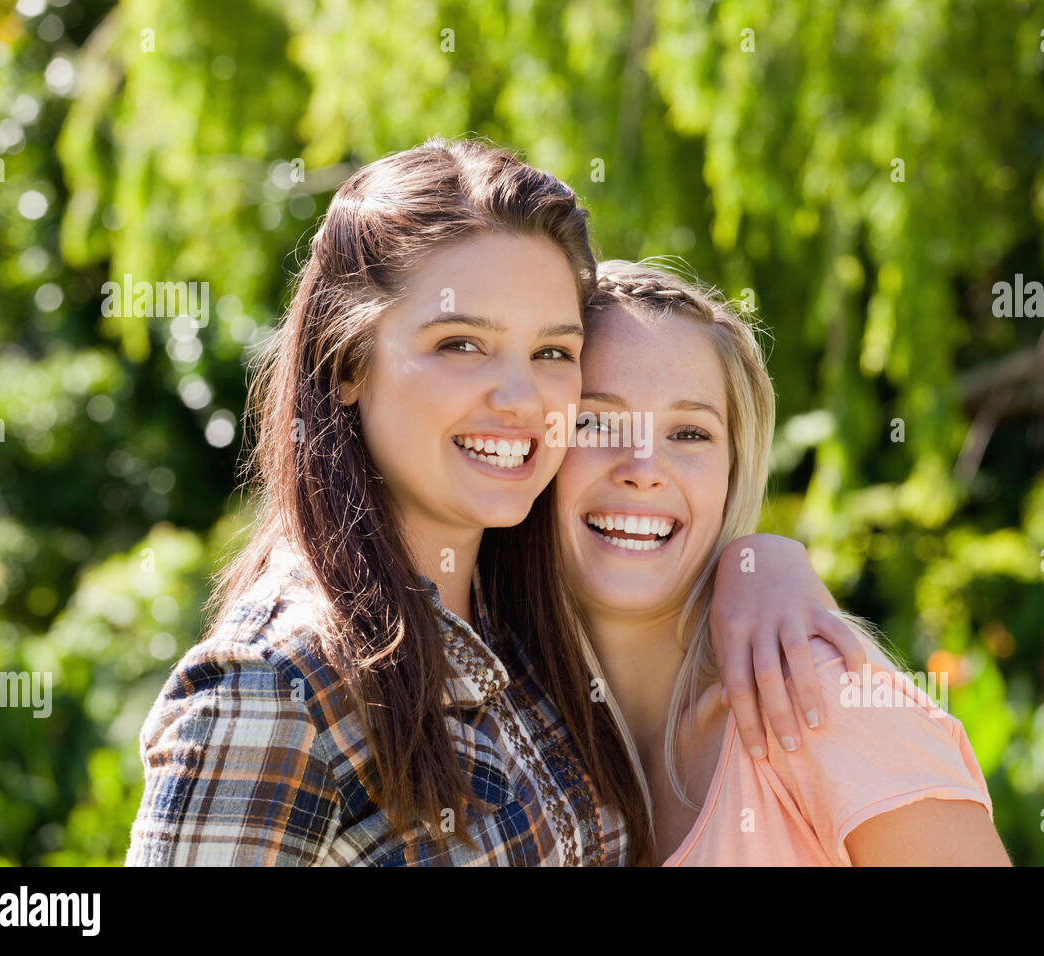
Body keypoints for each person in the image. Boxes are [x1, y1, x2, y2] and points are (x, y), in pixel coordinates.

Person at [126, 138, 865, 866]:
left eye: (551, 353)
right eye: (461, 345)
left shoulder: (527, 622)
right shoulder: (275, 691)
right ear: (346, 361)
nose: (519, 400)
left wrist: (760, 562)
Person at [552, 260, 1012, 865]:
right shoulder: (511, 732)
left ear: (732, 474)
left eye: (689, 433)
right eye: (595, 422)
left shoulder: (816, 699)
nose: (643, 468)